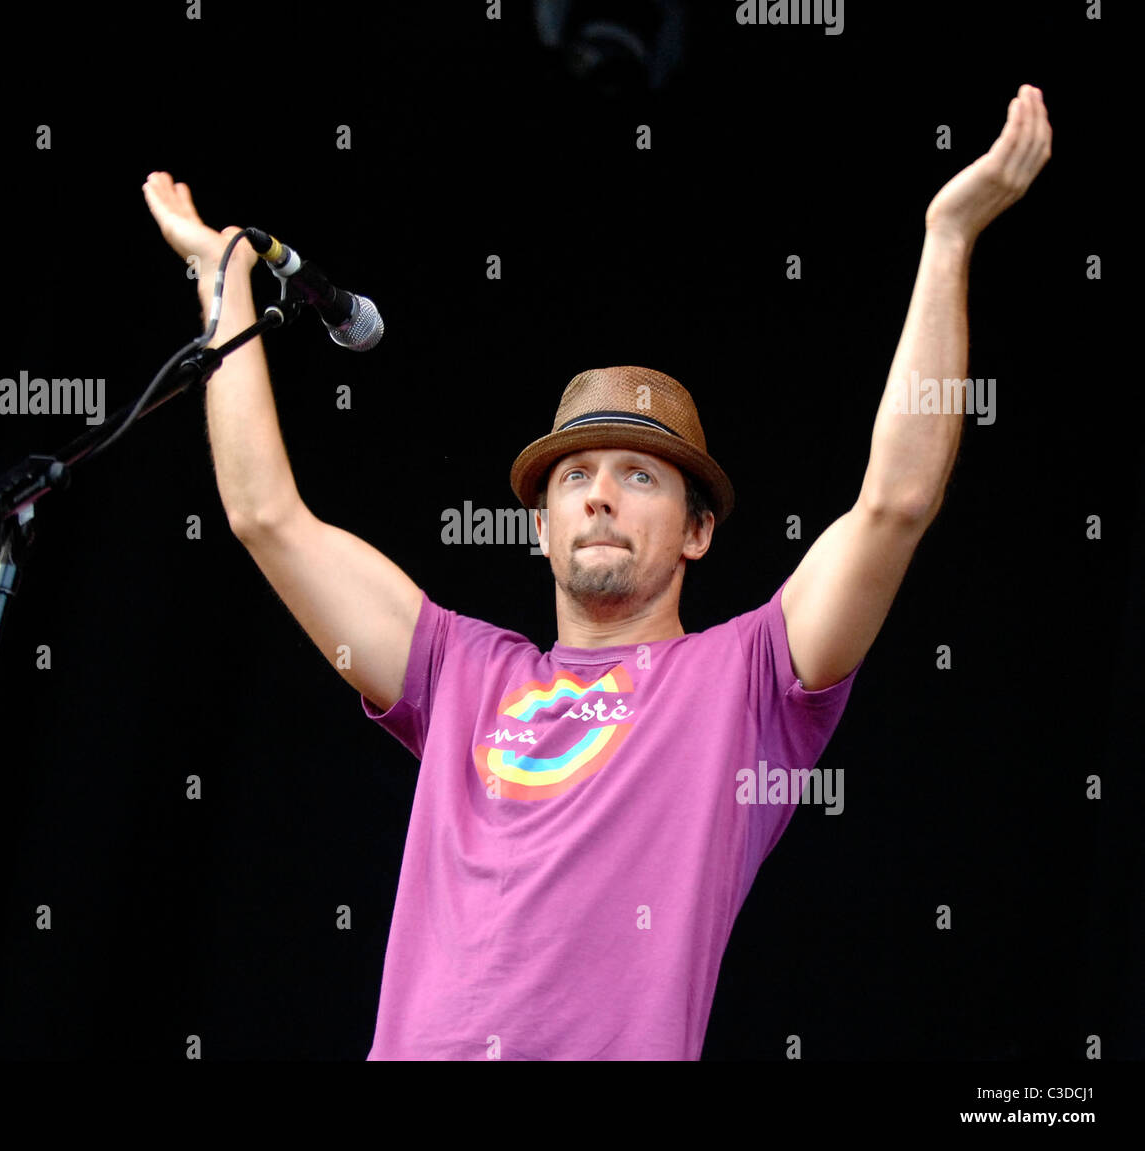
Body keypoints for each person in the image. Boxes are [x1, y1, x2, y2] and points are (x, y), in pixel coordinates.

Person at [142, 85, 1051, 1060]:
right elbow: (265, 516)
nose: (599, 495)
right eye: (573, 475)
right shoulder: (459, 668)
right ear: (540, 525)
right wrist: (218, 283)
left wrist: (947, 237)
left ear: (699, 530)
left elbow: (896, 502)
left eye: (637, 474)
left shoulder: (749, 679)